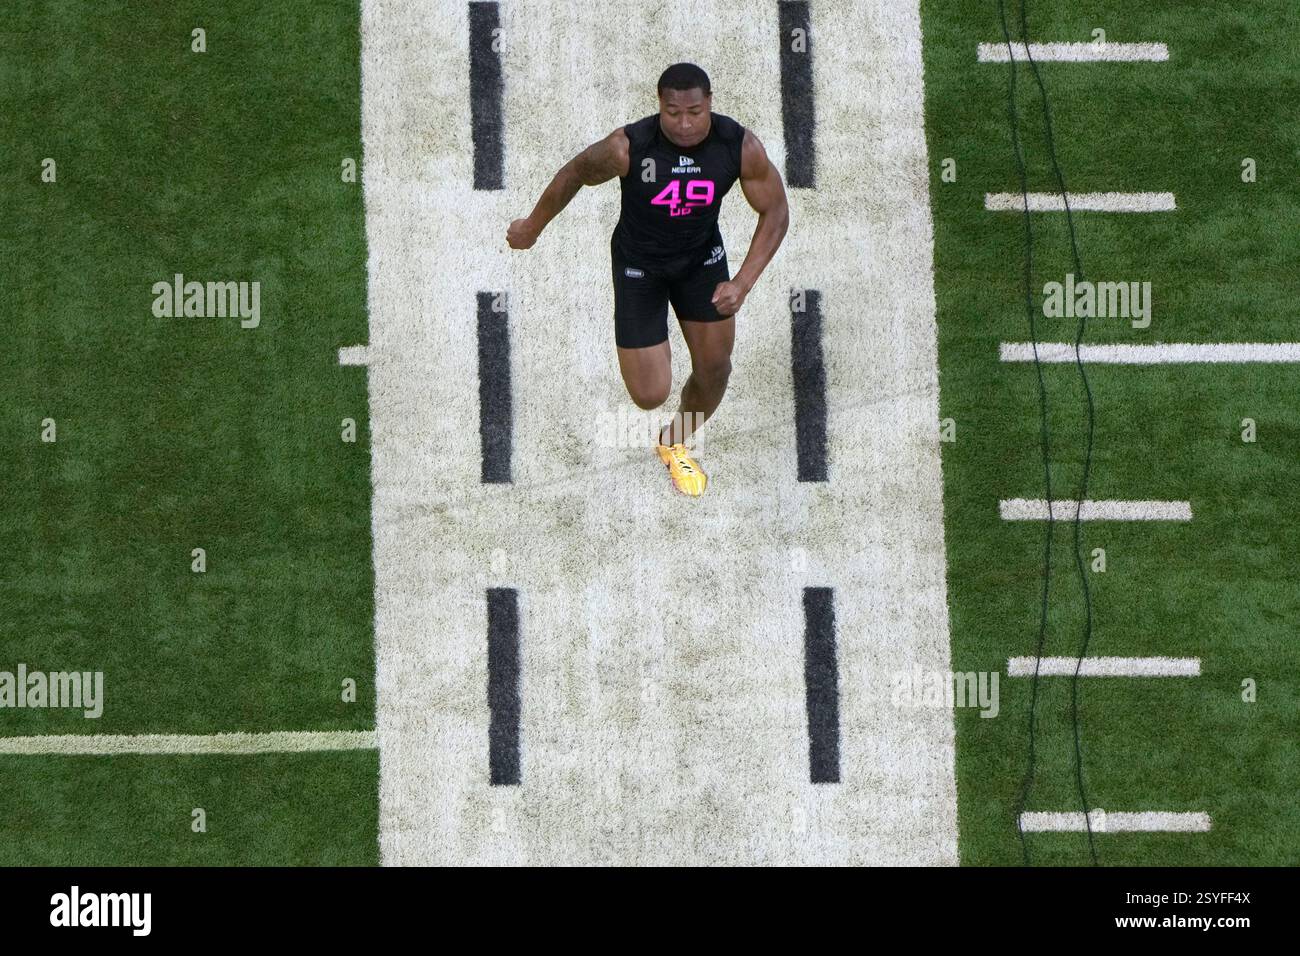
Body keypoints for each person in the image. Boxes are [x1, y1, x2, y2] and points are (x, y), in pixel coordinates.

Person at [507, 62, 789, 496]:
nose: (683, 123)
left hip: (700, 262)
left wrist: (742, 282)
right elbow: (575, 173)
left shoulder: (739, 146)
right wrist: (532, 225)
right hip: (639, 265)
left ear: (709, 103)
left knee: (715, 370)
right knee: (649, 393)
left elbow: (776, 211)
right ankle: (649, 344)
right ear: (660, 105)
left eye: (694, 111)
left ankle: (675, 442)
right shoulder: (628, 147)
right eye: (673, 112)